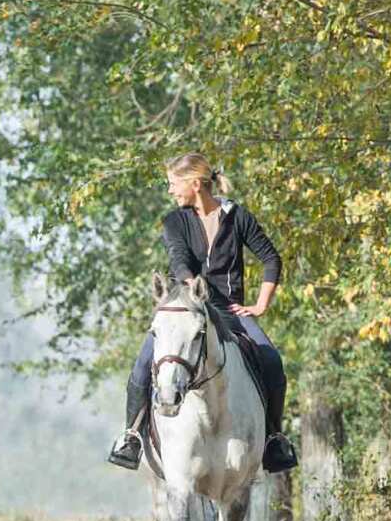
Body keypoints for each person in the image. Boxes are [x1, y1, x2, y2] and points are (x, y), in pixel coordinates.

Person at [107, 153, 299, 474]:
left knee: (271, 361)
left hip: (229, 311)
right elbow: (178, 258)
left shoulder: (237, 216)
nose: (170, 191)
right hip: (187, 308)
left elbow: (271, 258)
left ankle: (274, 439)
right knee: (143, 365)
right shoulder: (174, 221)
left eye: (173, 184)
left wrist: (261, 303)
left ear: (195, 184)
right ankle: (132, 436)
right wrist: (190, 285)